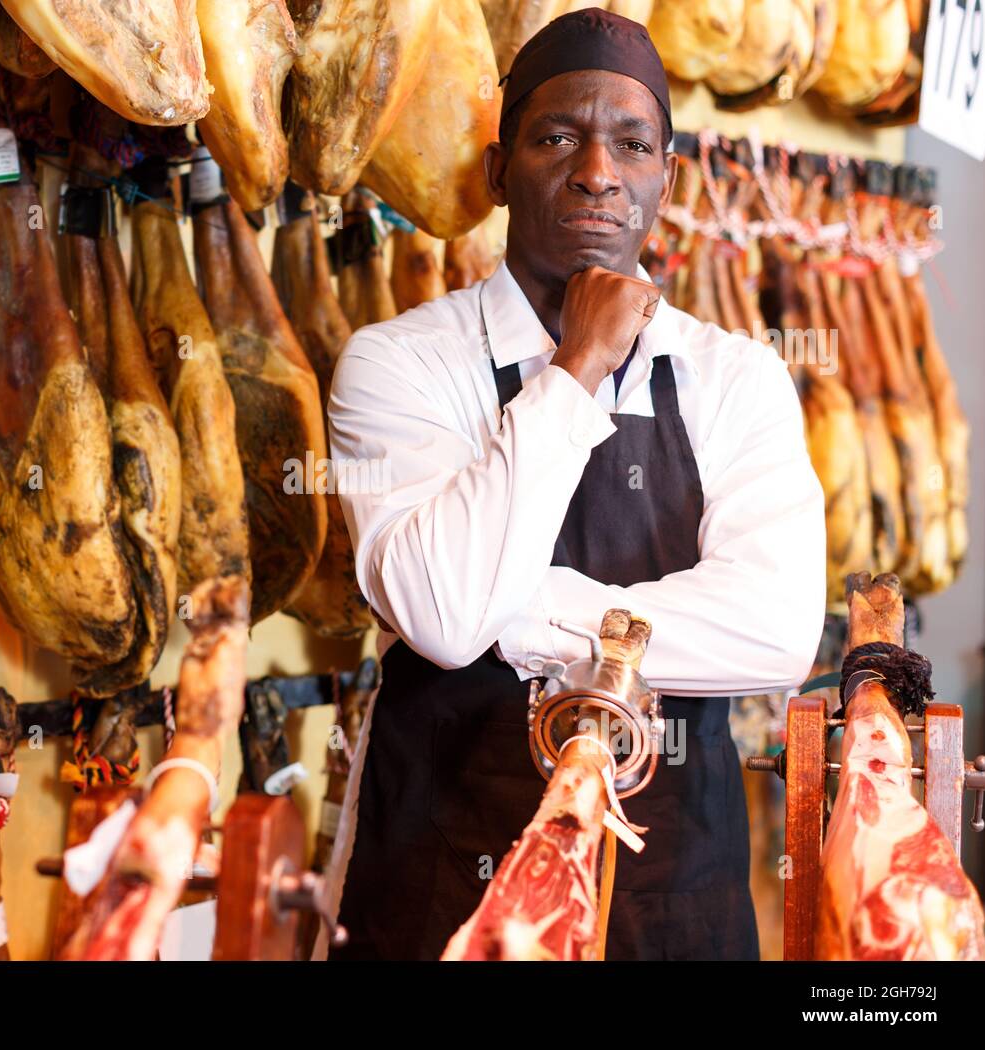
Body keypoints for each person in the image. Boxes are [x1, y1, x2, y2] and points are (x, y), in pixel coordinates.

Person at [325, 9, 825, 960]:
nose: (597, 171)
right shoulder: (398, 364)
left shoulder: (736, 375)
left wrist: (523, 617)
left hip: (673, 887)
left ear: (665, 181)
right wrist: (579, 366)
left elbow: (776, 630)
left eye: (631, 144)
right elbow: (440, 613)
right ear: (496, 172)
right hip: (443, 877)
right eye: (558, 136)